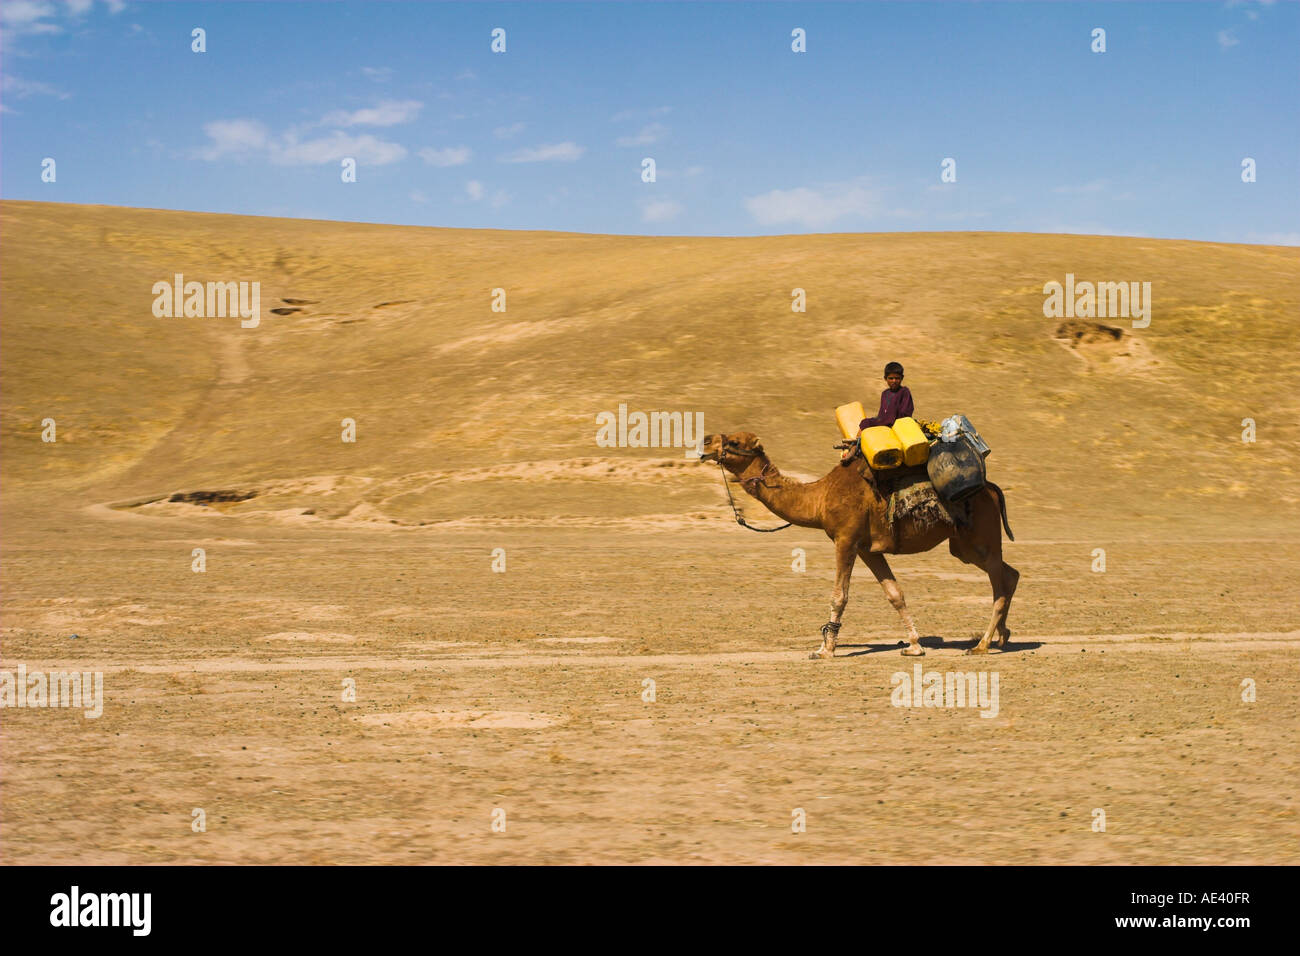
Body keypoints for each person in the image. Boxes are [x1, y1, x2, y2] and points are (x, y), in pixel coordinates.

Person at [860, 362, 914, 430]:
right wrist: (880, 421)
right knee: (865, 422)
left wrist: (890, 422)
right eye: (891, 378)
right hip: (883, 422)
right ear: (885, 378)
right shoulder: (884, 393)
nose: (894, 381)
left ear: (902, 378)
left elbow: (905, 413)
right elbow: (881, 413)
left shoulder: (904, 392)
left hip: (897, 424)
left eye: (897, 378)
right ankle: (857, 439)